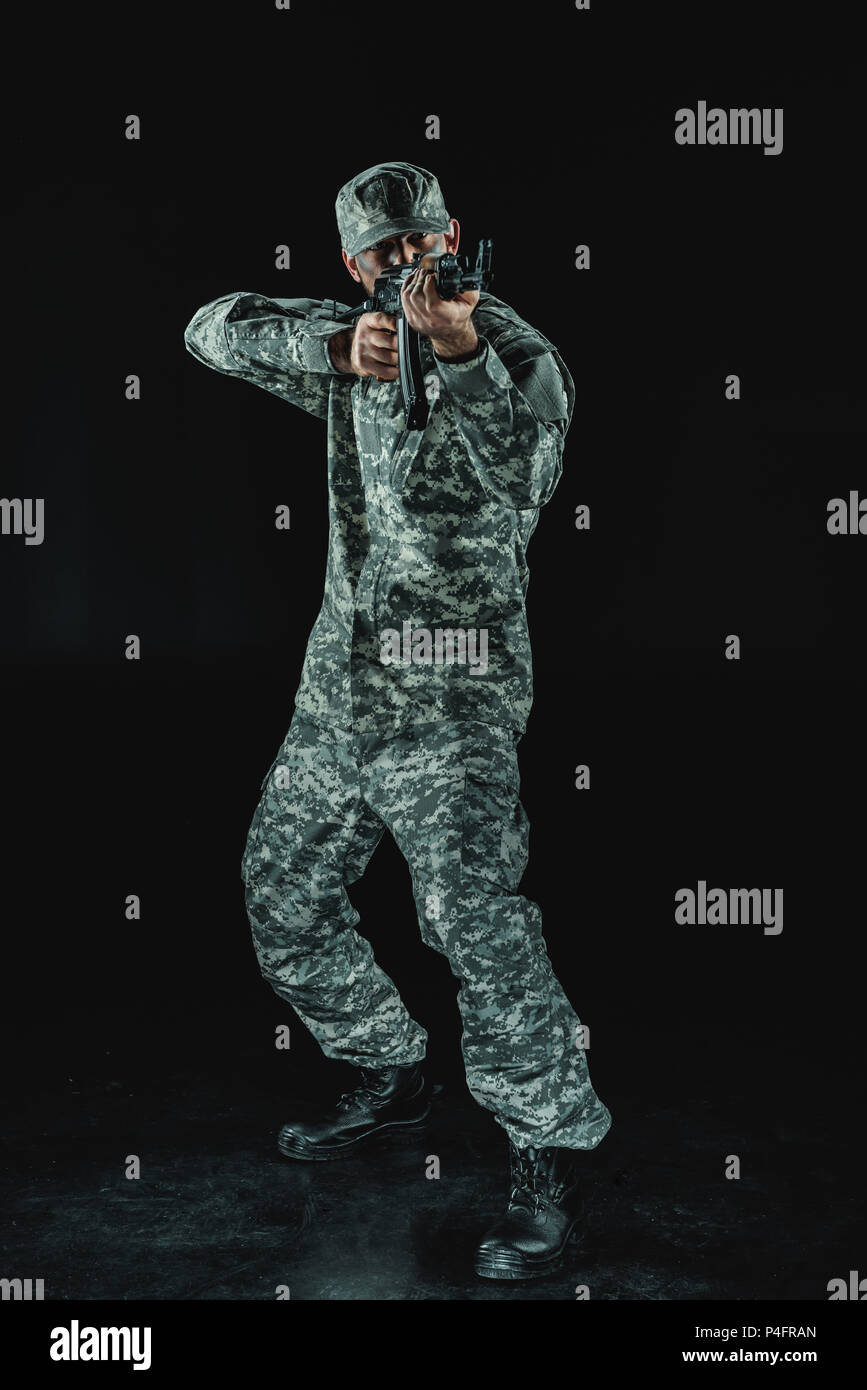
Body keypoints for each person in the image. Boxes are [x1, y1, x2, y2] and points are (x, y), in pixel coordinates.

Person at [183, 160, 612, 1280]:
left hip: (454, 705)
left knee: (473, 921)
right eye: (378, 253)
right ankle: (388, 1067)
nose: (402, 265)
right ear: (351, 262)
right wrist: (333, 349)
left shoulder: (517, 355)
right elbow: (209, 330)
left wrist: (460, 355)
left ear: (452, 237)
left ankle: (549, 1148)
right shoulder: (355, 339)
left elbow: (526, 477)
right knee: (279, 889)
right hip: (341, 696)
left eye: (418, 242)